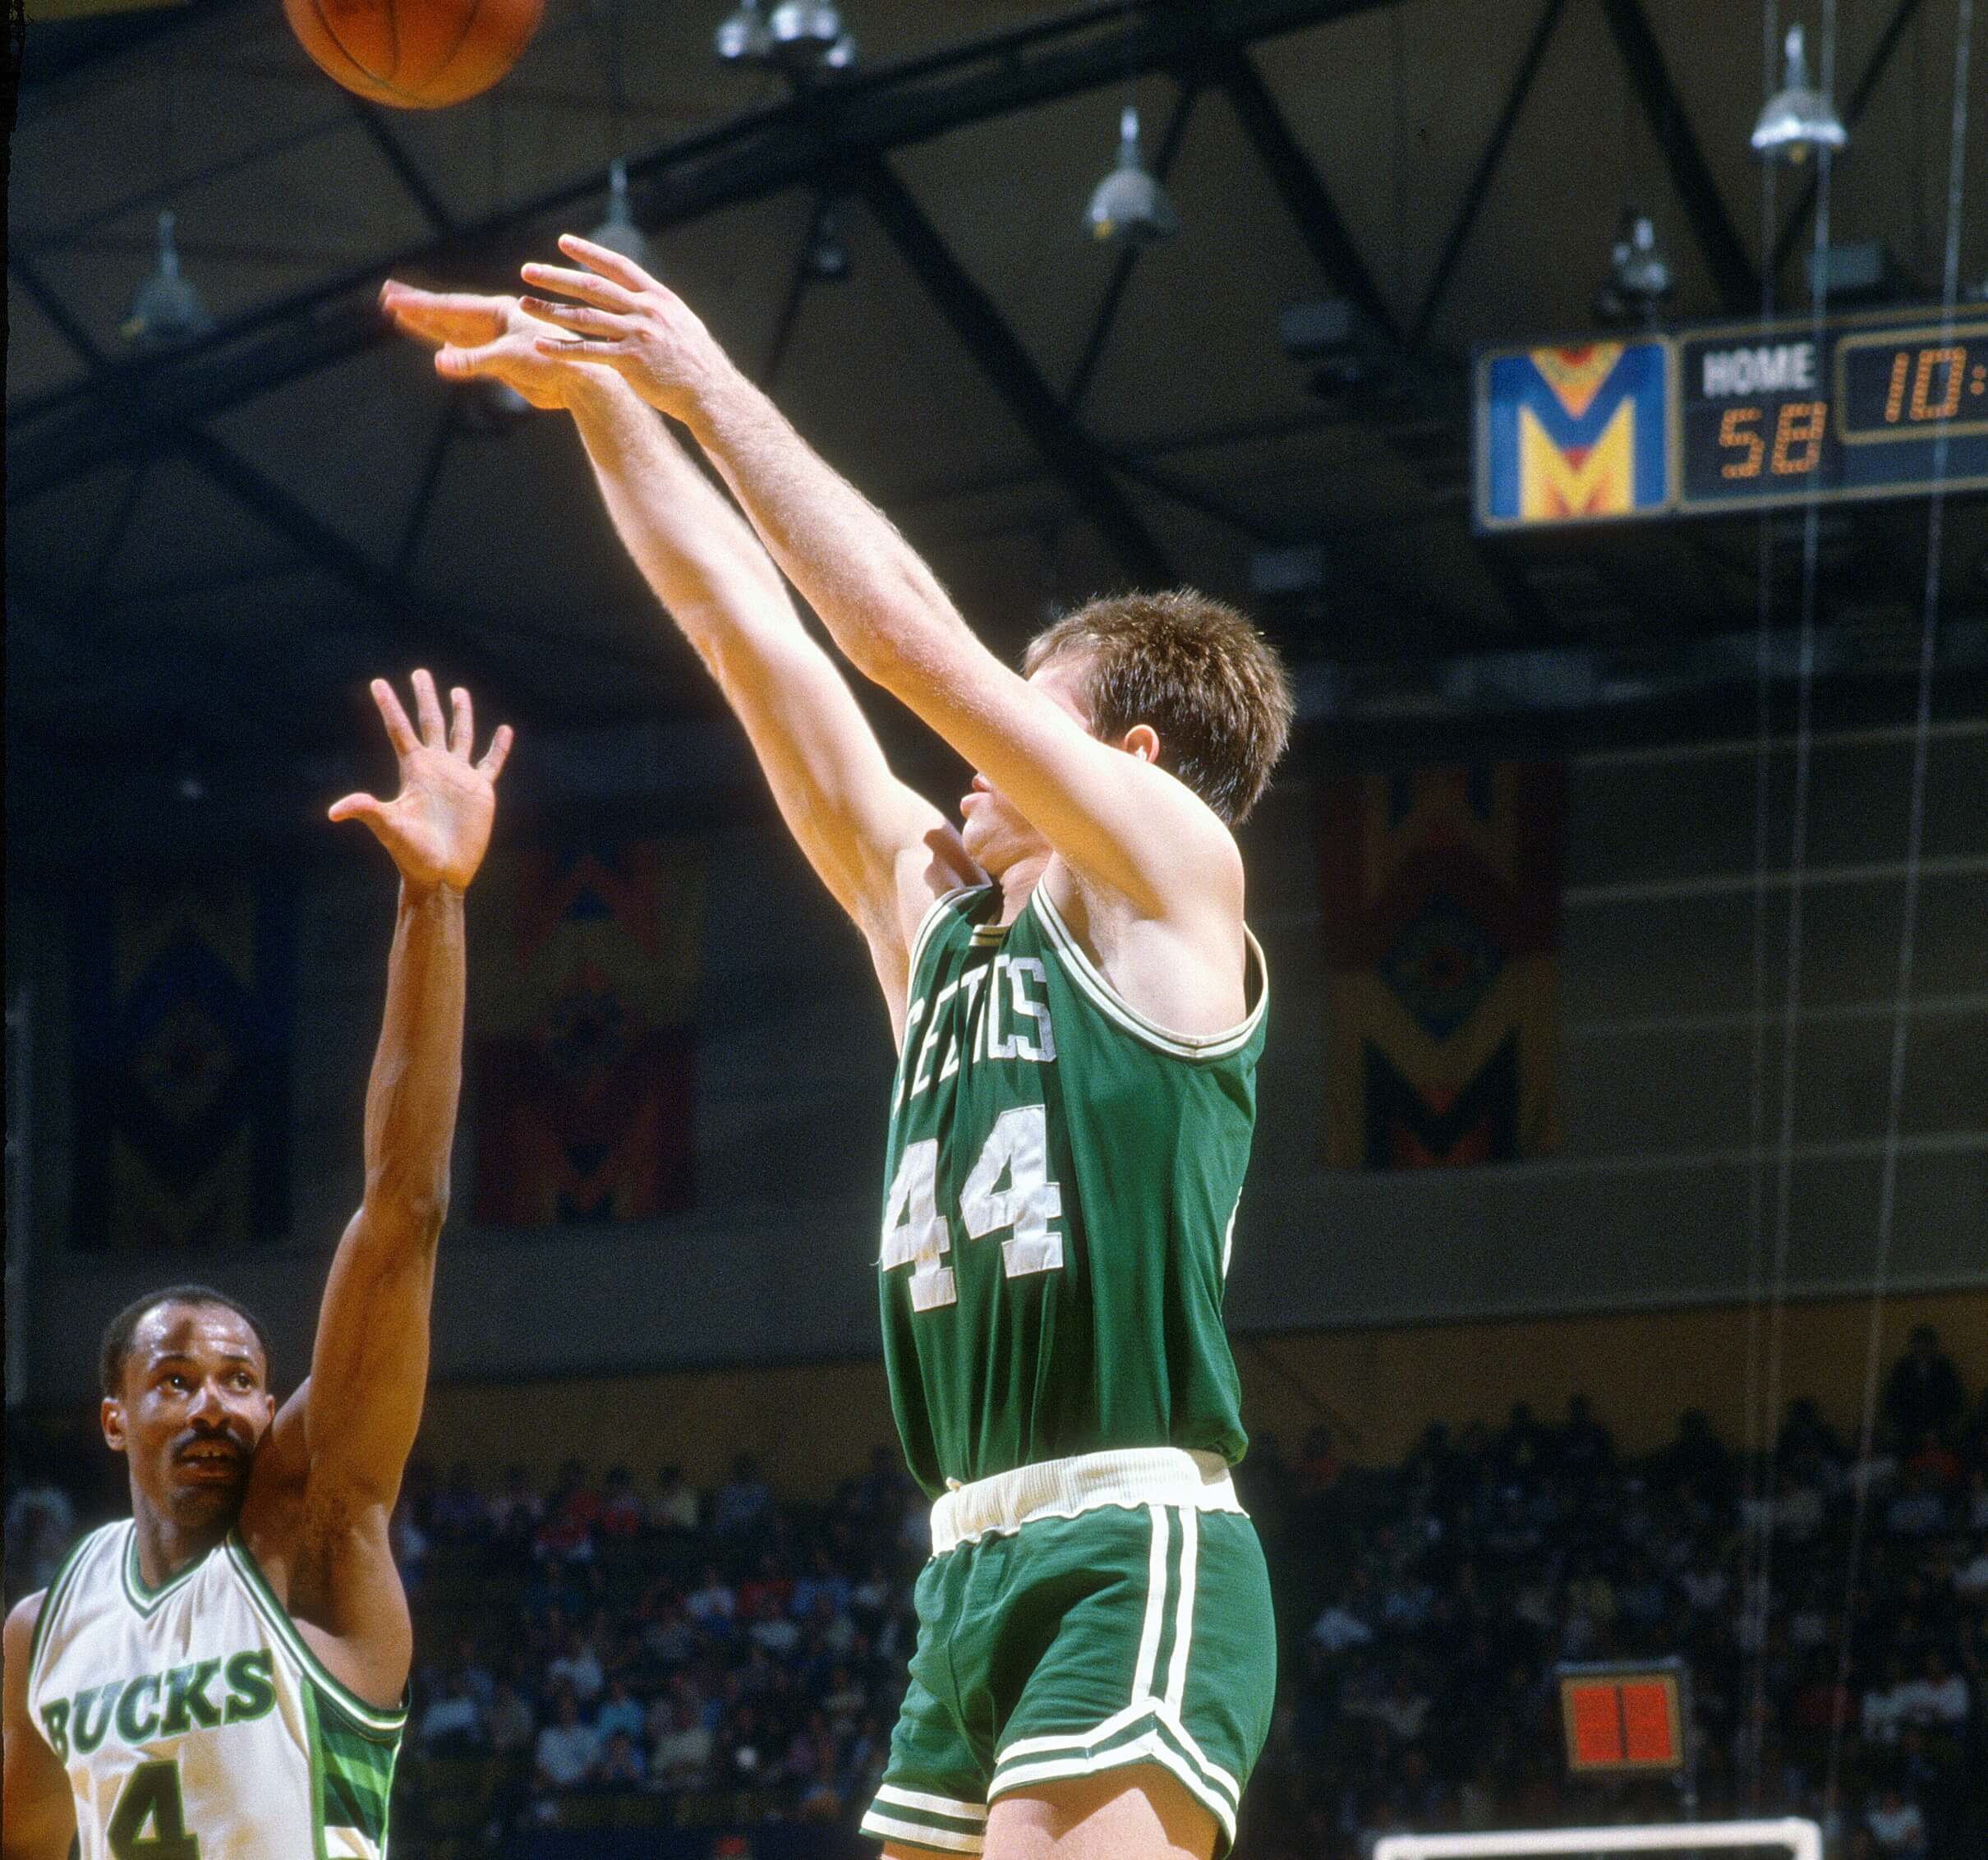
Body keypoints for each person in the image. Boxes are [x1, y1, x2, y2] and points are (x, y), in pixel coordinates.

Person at [381, 228, 1293, 1860]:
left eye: (1028, 707)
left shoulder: (1178, 878)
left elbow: (901, 644)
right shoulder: (933, 925)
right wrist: (604, 401)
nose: (972, 744)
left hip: (1132, 1540)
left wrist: (704, 384)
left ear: (1135, 760)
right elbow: (748, 635)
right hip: (969, 1562)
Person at [1, 674, 511, 1860]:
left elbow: (404, 1209)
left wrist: (432, 900)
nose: (216, 1404)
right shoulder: (43, 1630)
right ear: (114, 1419)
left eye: (241, 1379)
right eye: (176, 1381)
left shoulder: (314, 1537)